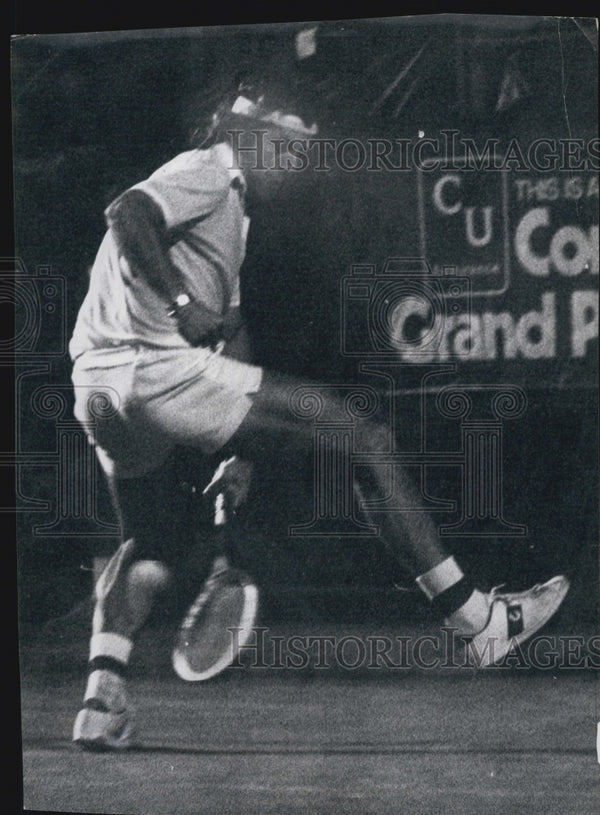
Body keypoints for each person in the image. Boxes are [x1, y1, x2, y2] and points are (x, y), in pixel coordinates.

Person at [69, 88, 569, 750]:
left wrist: (240, 448)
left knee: (148, 543)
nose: (293, 161)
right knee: (363, 436)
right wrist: (182, 298)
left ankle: (102, 699)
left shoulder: (233, 218)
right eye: (287, 145)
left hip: (99, 389)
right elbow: (127, 213)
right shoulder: (209, 170)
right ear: (248, 134)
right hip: (154, 366)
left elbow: (233, 334)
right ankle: (477, 621)